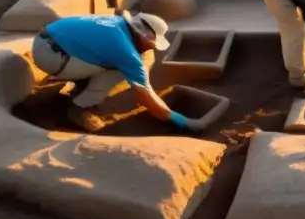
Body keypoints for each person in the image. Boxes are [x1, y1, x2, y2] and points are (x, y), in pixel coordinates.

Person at [31, 9, 198, 133]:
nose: (150, 48)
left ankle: (80, 87)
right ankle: (79, 108)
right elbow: (147, 98)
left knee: (102, 55)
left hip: (43, 42)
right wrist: (181, 121)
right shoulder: (126, 53)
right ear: (143, 37)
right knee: (118, 69)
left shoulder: (116, 22)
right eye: (151, 44)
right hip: (52, 58)